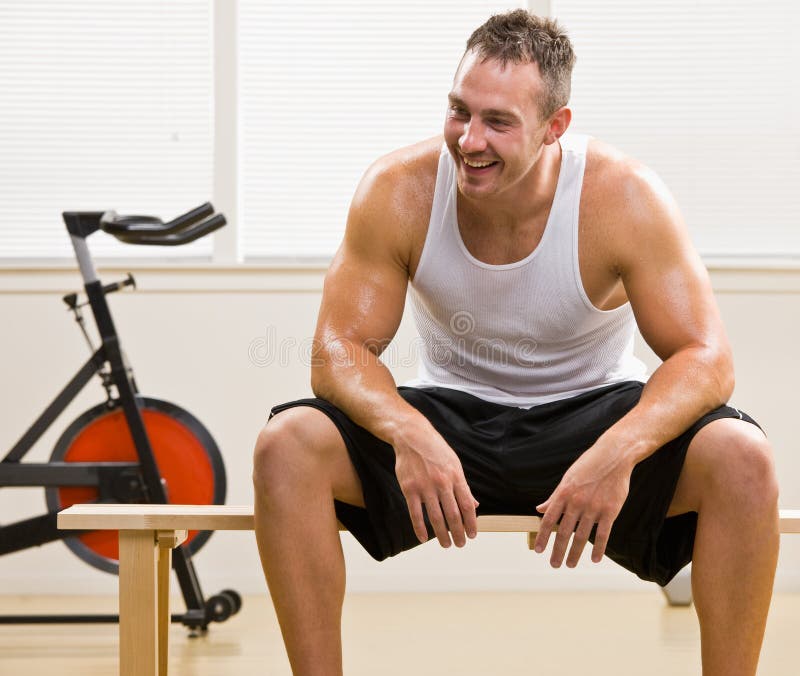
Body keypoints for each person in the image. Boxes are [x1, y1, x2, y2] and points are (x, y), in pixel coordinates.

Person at [252, 9, 779, 676]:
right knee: (286, 446)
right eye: (458, 111)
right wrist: (409, 434)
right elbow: (338, 350)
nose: (469, 140)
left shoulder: (624, 197)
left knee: (743, 457)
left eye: (498, 121)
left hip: (595, 413)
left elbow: (707, 357)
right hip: (450, 419)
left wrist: (618, 450)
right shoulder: (398, 191)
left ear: (554, 127)